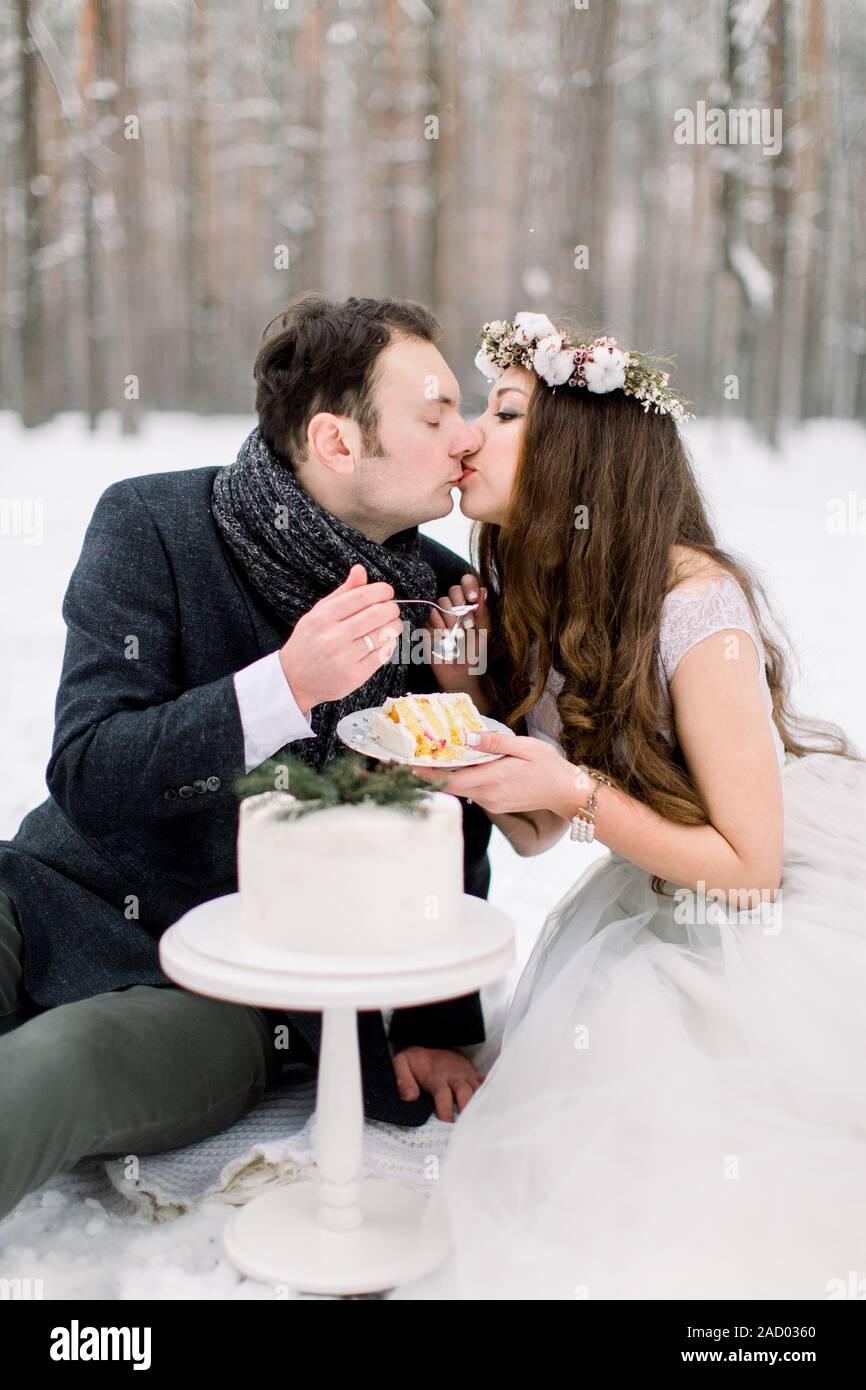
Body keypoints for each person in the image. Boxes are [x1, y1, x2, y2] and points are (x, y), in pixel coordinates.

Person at [398, 311, 866, 1300]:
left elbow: (748, 868)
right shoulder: (532, 583)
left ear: (582, 450)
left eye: (506, 410)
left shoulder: (694, 602)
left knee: (689, 1151)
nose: (469, 435)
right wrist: (461, 693)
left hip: (775, 884)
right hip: (660, 874)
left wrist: (572, 788)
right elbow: (534, 835)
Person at [0, 293, 490, 1226]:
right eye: (435, 416)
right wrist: (281, 689)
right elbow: (91, 772)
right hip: (44, 894)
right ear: (338, 442)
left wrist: (435, 1025)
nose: (465, 439)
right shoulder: (152, 524)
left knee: (46, 1072)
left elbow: (442, 827)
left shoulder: (436, 605)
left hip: (227, 990)